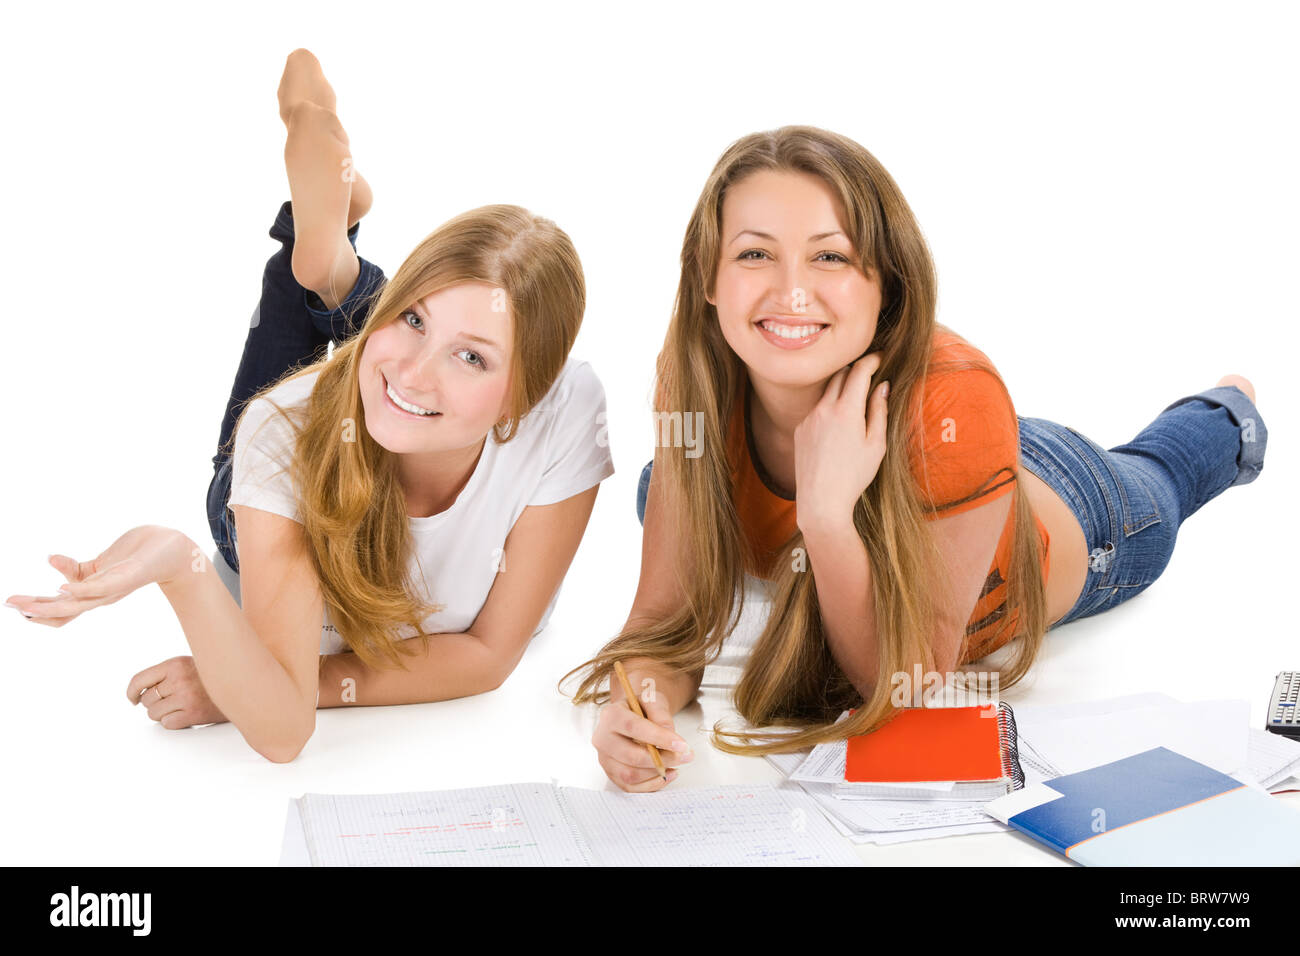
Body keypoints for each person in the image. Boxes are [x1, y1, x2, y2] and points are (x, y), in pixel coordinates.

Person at [568, 125, 1266, 792]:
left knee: (1166, 474)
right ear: (708, 277)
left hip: (1076, 506)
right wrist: (638, 704)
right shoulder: (690, 379)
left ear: (887, 284)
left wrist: (828, 515)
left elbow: (896, 680)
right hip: (953, 458)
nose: (791, 291)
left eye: (830, 255)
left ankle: (1223, 411)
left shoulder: (956, 399)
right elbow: (663, 625)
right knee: (660, 484)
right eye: (754, 254)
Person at [5, 50, 613, 762]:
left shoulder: (567, 405)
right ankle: (327, 267)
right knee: (320, 400)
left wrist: (232, 683)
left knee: (388, 379)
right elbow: (284, 731)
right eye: (411, 316)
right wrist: (183, 568)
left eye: (473, 356)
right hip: (274, 492)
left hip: (365, 407)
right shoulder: (281, 435)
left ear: (528, 393)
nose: (417, 373)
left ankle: (328, 265)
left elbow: (485, 656)